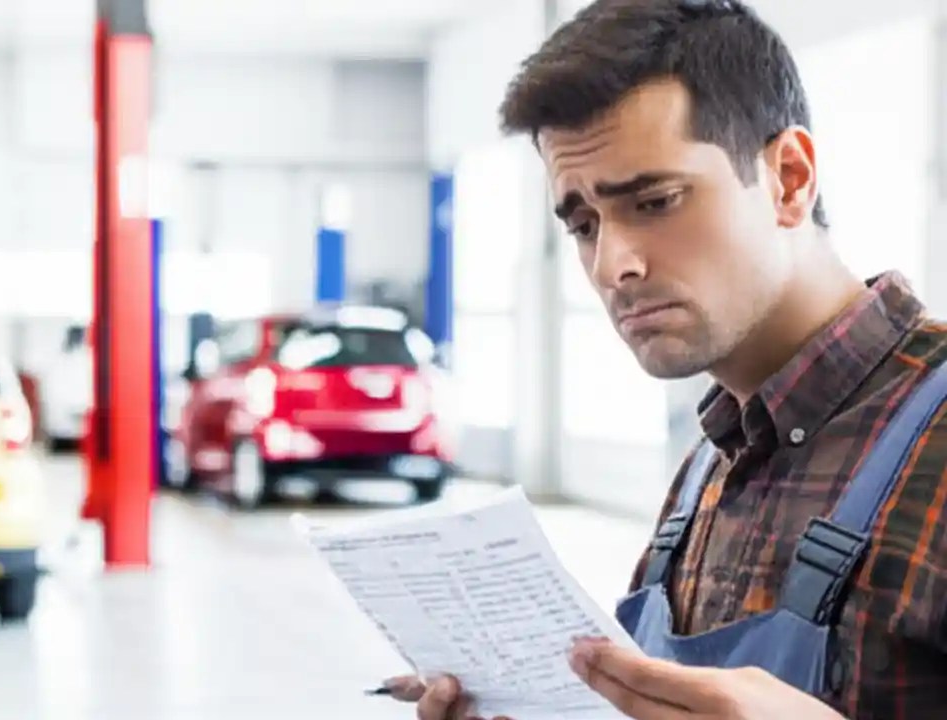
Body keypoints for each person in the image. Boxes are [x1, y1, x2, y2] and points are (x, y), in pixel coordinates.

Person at [385, 0, 947, 718]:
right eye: (584, 224)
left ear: (790, 179)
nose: (612, 263)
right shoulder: (705, 474)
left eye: (654, 201)